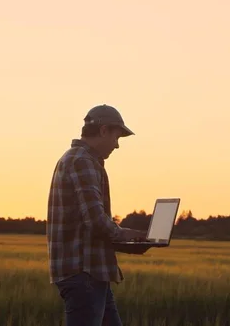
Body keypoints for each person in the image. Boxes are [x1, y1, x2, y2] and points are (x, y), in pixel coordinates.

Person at [47, 104, 148, 326]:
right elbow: (95, 220)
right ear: (103, 131)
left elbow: (86, 224)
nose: (117, 145)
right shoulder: (83, 161)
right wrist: (126, 235)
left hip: (90, 273)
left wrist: (129, 240)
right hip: (85, 273)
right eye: (116, 136)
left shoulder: (74, 158)